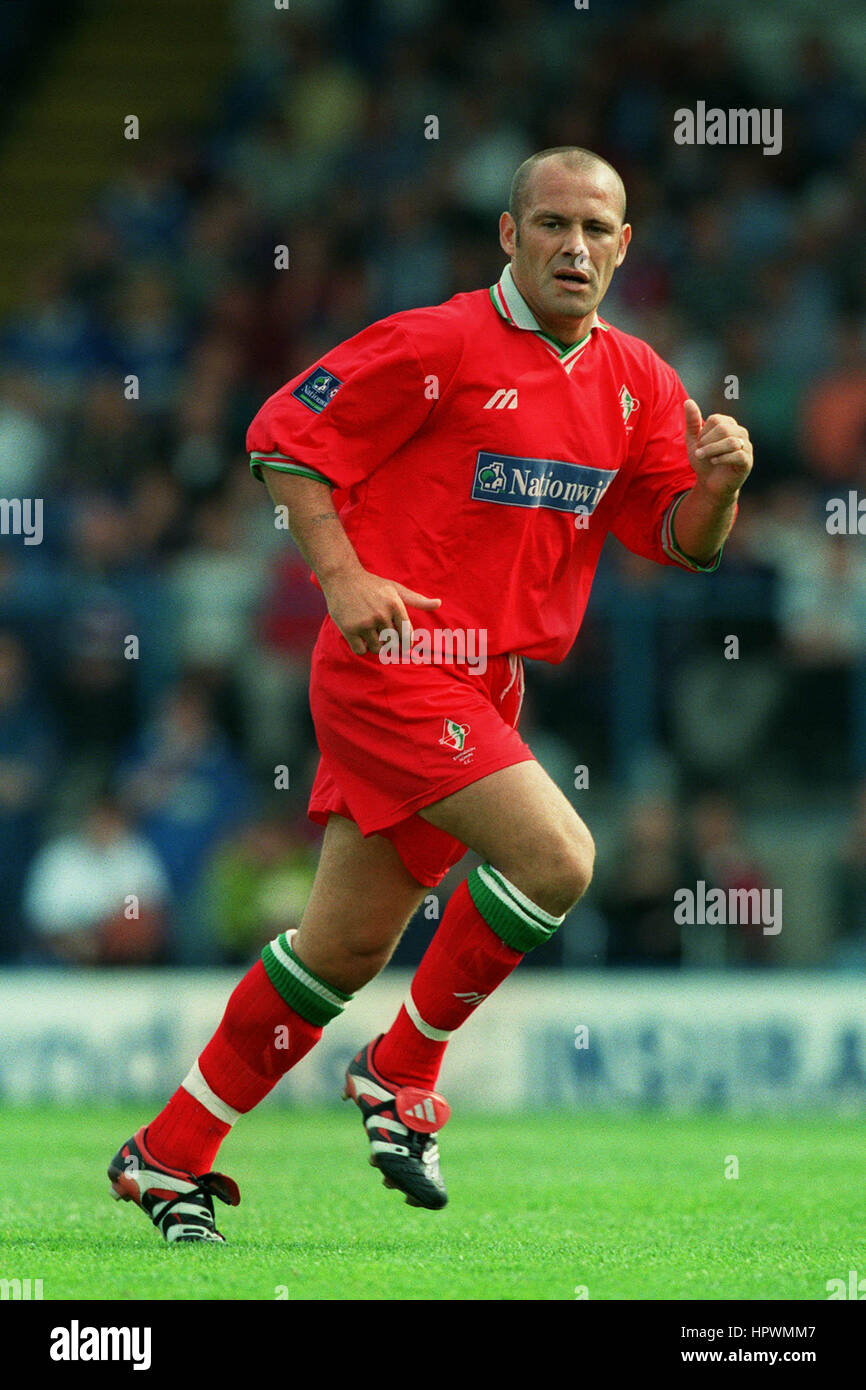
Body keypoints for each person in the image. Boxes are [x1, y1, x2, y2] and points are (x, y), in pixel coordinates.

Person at [108, 146, 752, 1242]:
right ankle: (401, 1072)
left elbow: (674, 541)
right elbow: (281, 435)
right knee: (558, 857)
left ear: (623, 246)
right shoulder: (438, 342)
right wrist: (344, 574)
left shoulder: (638, 380)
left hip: (485, 682)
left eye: (596, 230)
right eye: (550, 223)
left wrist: (719, 491)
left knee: (341, 951)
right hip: (393, 665)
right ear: (508, 234)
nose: (573, 247)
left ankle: (165, 1156)